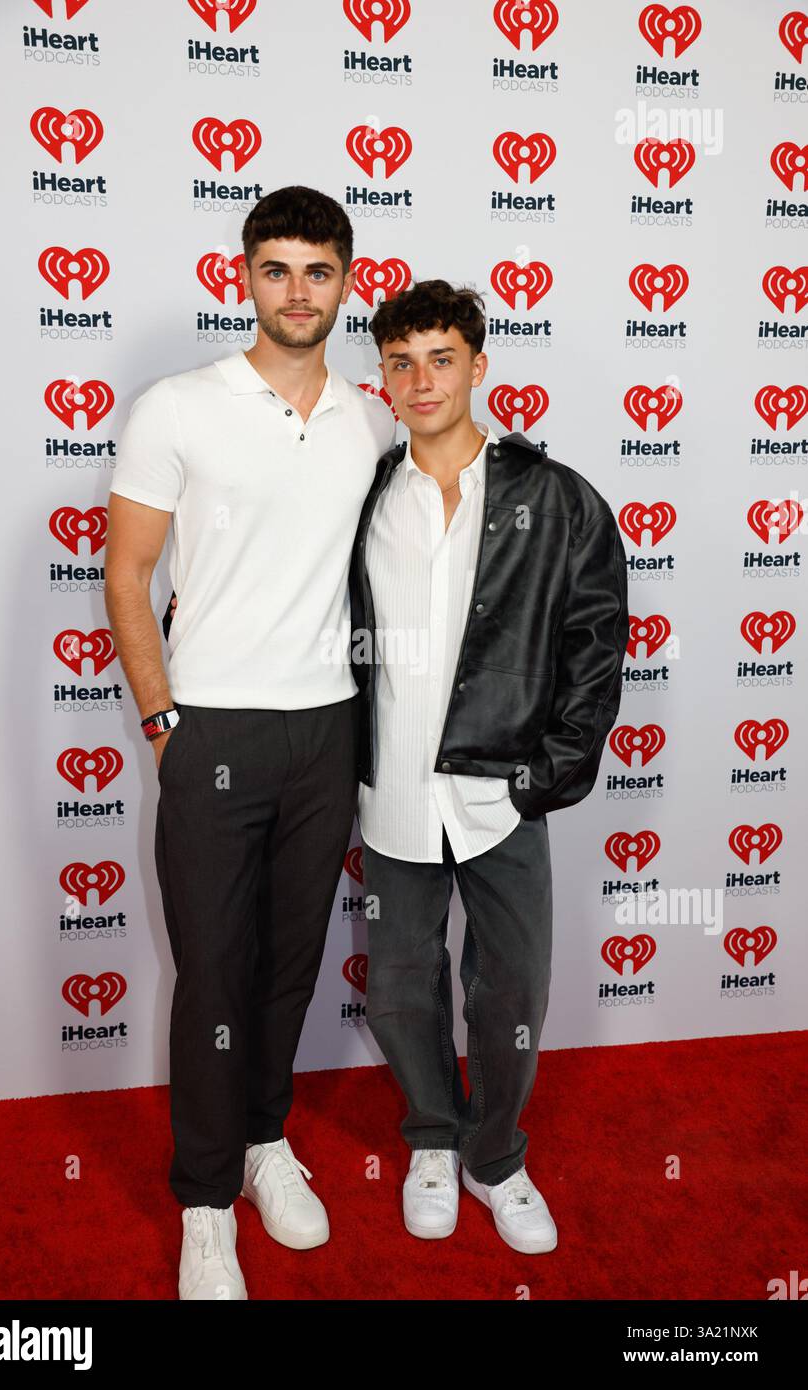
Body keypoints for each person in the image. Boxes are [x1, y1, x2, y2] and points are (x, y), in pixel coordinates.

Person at [104, 185, 395, 1300]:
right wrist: (163, 720)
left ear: (347, 283)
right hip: (211, 727)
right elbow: (127, 574)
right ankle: (205, 1200)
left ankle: (268, 1141)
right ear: (244, 278)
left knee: (290, 963)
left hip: (327, 728)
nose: (298, 291)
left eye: (319, 272)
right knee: (215, 971)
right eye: (277, 269)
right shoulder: (178, 405)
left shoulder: (372, 419)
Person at [347, 279, 629, 1253]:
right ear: (381, 376)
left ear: (478, 364)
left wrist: (544, 773)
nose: (421, 380)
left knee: (511, 990)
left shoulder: (552, 497)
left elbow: (596, 642)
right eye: (401, 361)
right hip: (390, 793)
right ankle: (432, 1133)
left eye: (441, 357)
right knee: (399, 983)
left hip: (502, 793)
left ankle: (495, 1156)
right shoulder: (368, 493)